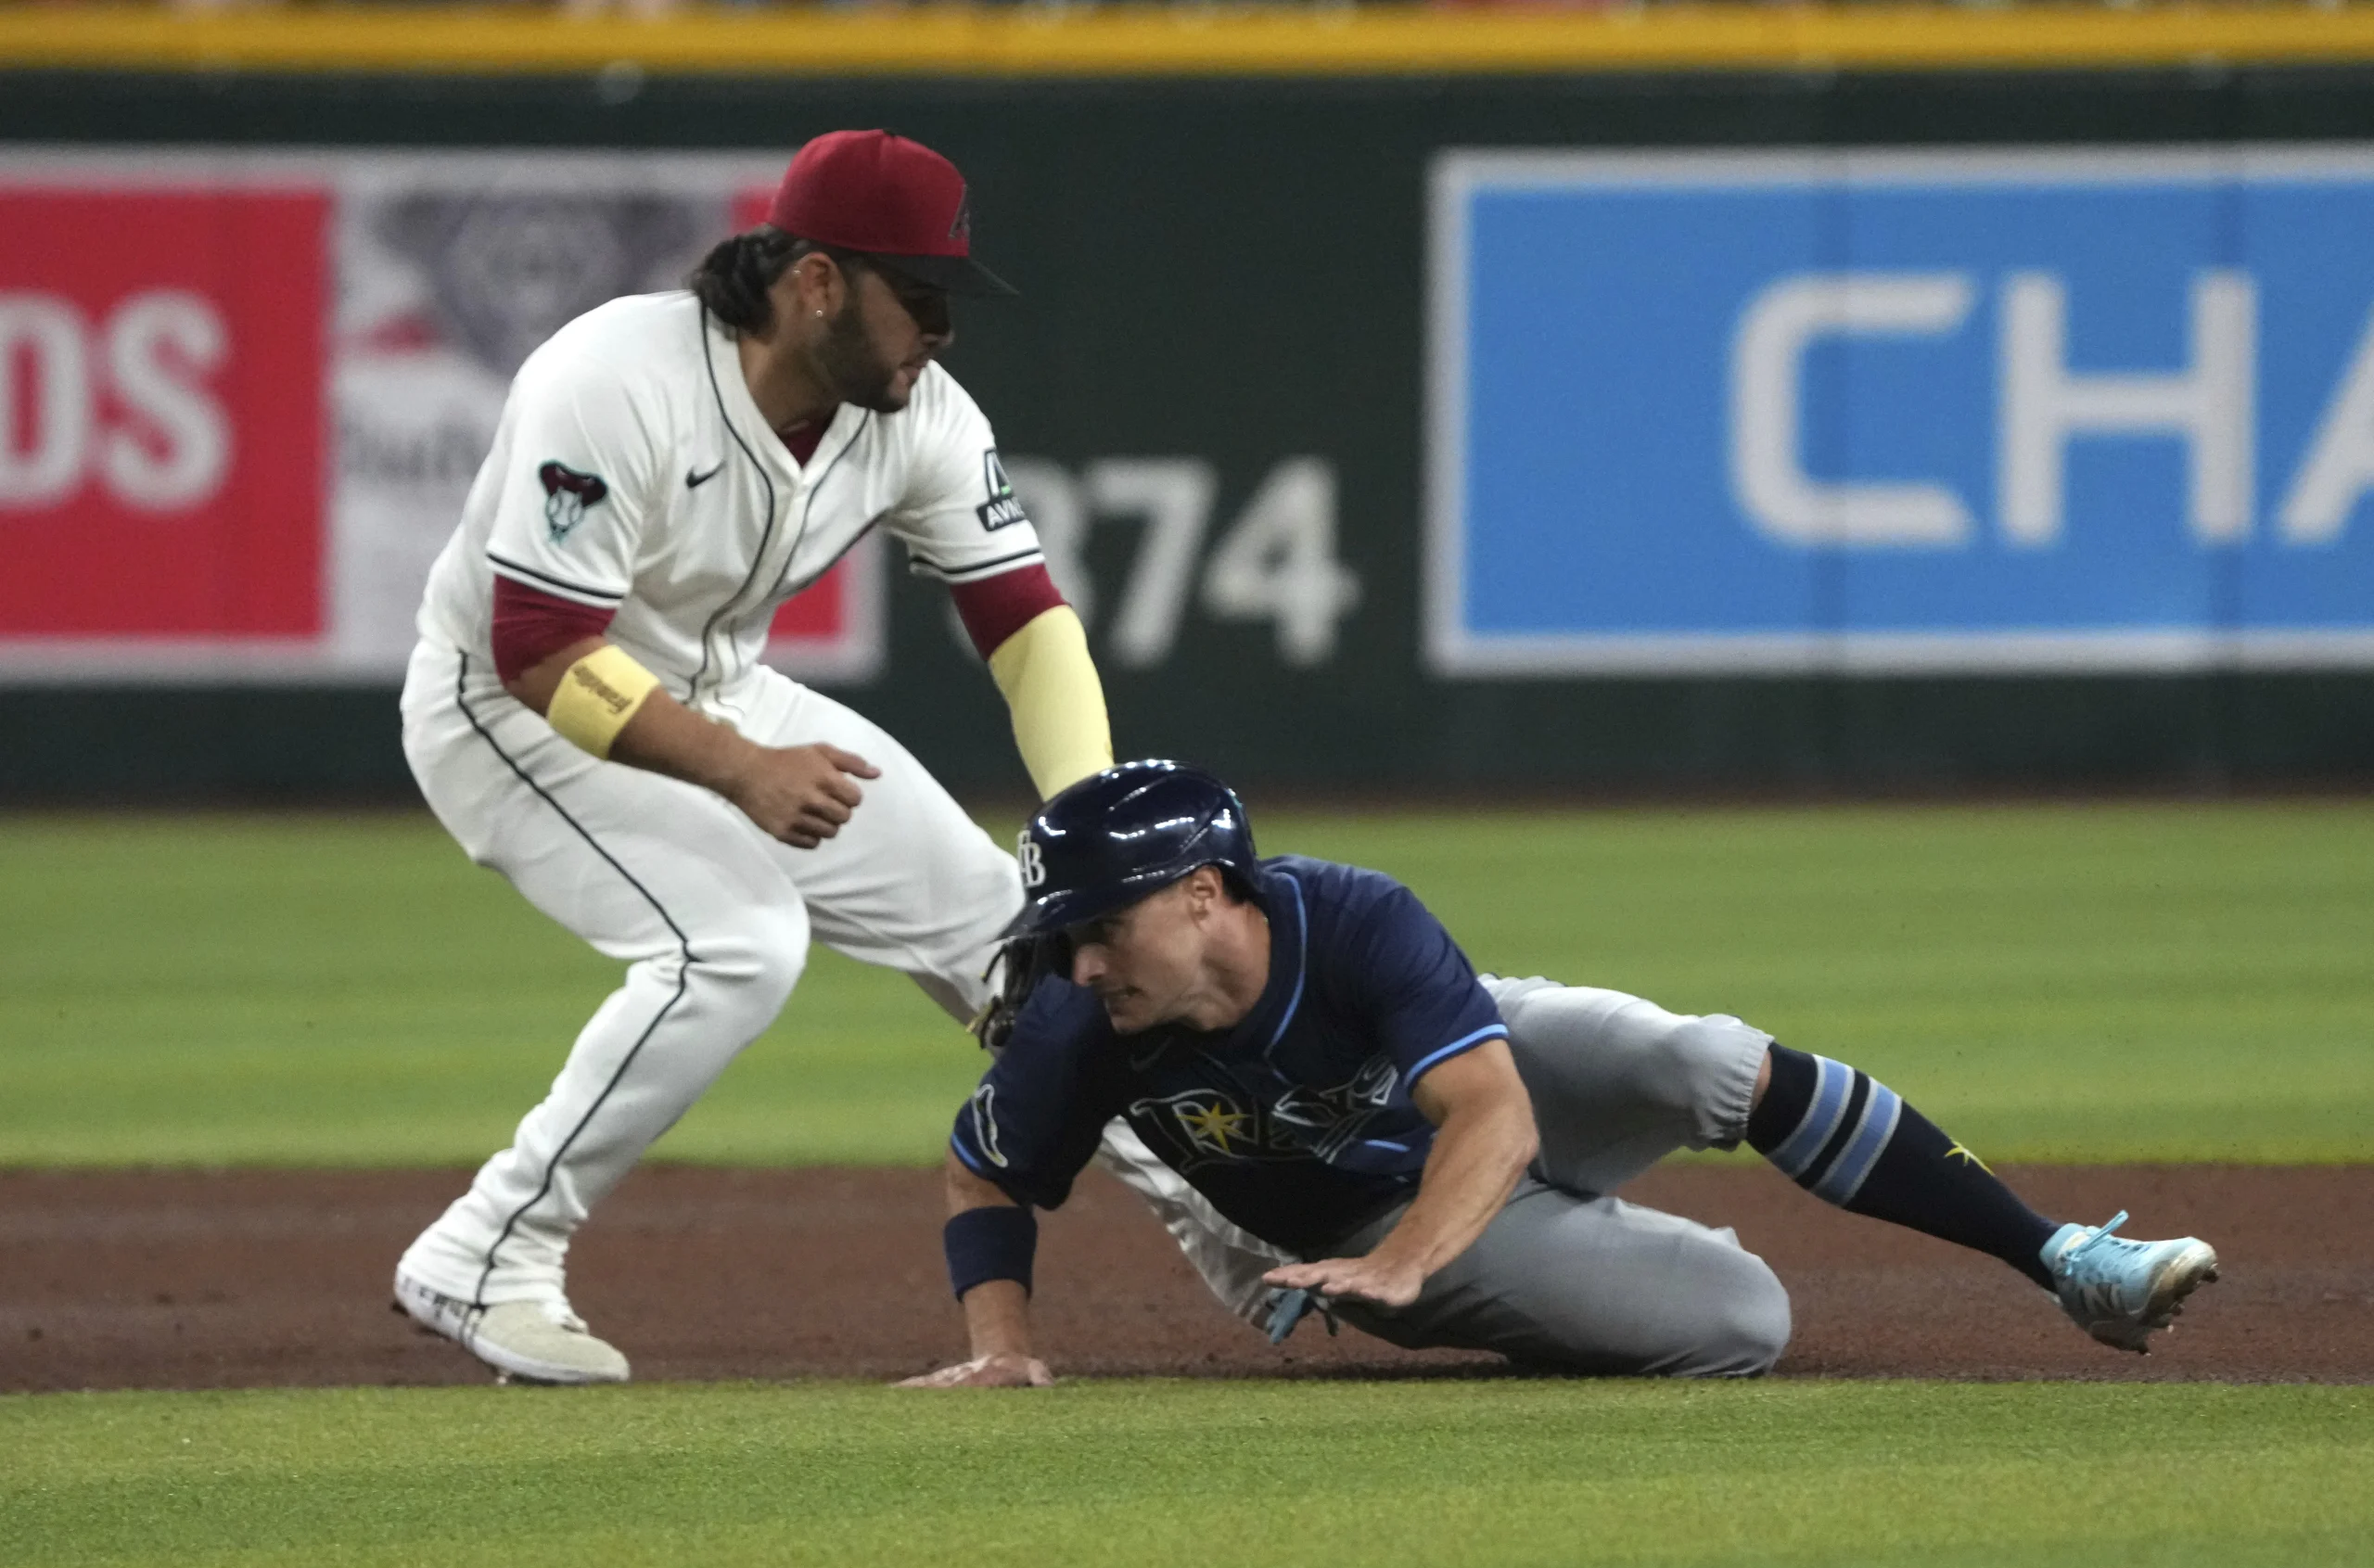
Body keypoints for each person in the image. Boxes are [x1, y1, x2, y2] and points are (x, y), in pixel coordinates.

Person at [392, 130, 1176, 1383]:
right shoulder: (612, 377)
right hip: (504, 710)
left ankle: (1227, 1211)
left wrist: (1092, 824)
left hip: (717, 693)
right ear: (817, 283)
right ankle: (489, 1249)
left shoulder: (916, 413)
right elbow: (537, 648)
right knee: (737, 943)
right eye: (919, 296)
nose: (942, 332)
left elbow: (1027, 623)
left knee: (1015, 929)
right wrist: (737, 768)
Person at [900, 761, 2221, 1387]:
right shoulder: (1079, 1019)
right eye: (1065, 931)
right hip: (1347, 1221)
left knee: (1706, 1057)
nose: (1079, 958)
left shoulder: (1350, 916)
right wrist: (1001, 1348)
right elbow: (984, 1167)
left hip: (1478, 1072)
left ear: (1203, 893)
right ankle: (1587, 1253)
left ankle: (2065, 1259)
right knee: (1743, 1324)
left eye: (1101, 922)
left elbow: (1490, 1105)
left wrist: (1416, 1256)